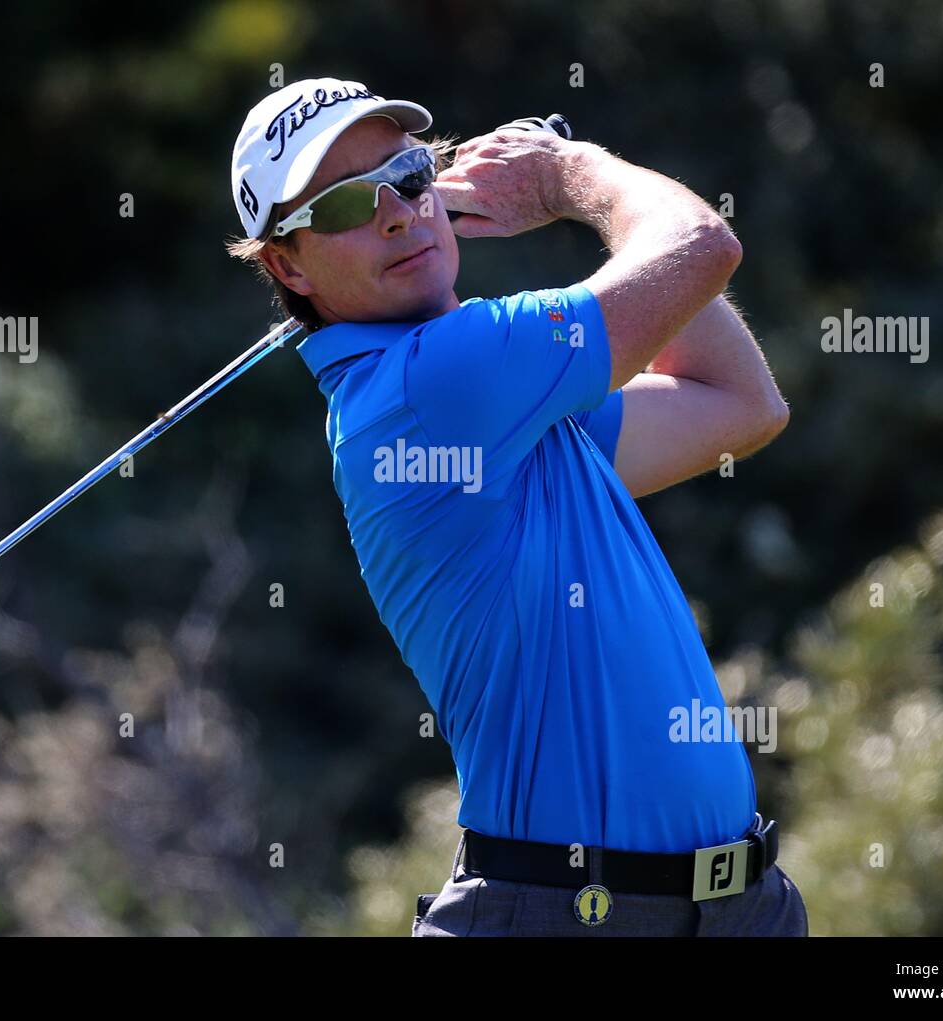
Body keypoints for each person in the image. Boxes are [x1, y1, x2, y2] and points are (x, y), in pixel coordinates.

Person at [227, 78, 804, 937]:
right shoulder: (433, 386)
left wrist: (583, 209)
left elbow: (741, 402)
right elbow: (702, 244)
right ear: (287, 263)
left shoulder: (504, 406)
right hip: (571, 915)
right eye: (347, 202)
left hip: (737, 909)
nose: (395, 212)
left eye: (410, 174)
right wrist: (575, 176)